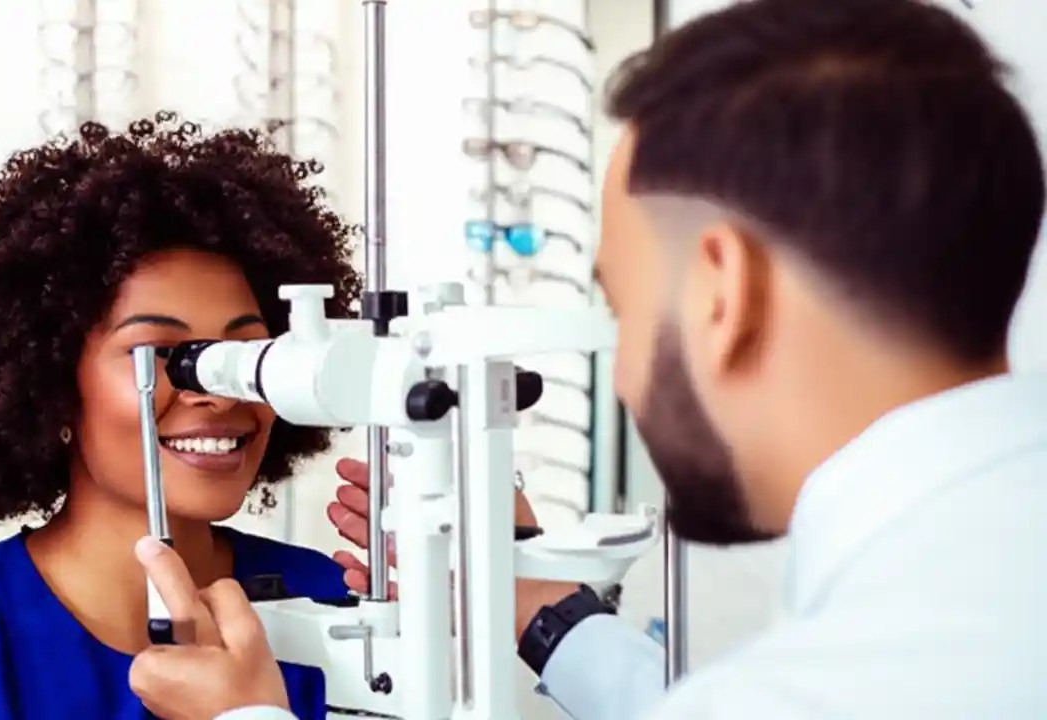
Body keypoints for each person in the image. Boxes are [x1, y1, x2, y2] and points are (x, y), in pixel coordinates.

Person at [125, 0, 1047, 718]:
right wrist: (535, 601)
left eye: (625, 307)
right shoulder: (972, 591)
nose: (629, 376)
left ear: (723, 291)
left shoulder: (851, 678)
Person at [0, 113, 364, 719]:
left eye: (248, 354)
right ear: (49, 385)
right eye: (160, 354)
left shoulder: (337, 608)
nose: (220, 394)